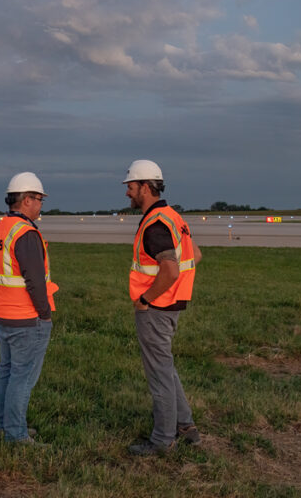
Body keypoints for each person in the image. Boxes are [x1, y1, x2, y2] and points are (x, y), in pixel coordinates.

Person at [122, 159, 203, 456]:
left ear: (145, 187)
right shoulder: (173, 217)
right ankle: (185, 426)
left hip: (156, 308)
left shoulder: (155, 224)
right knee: (166, 368)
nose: (127, 193)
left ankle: (162, 440)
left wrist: (146, 299)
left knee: (158, 376)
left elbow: (169, 269)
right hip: (173, 305)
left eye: (130, 187)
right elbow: (196, 255)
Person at [0, 172, 59, 444]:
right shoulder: (26, 233)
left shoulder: (0, 228)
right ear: (27, 200)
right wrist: (45, 314)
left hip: (3, 314)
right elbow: (36, 282)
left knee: (6, 370)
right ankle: (16, 435)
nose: (41, 205)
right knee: (22, 377)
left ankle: (3, 425)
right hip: (26, 317)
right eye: (39, 199)